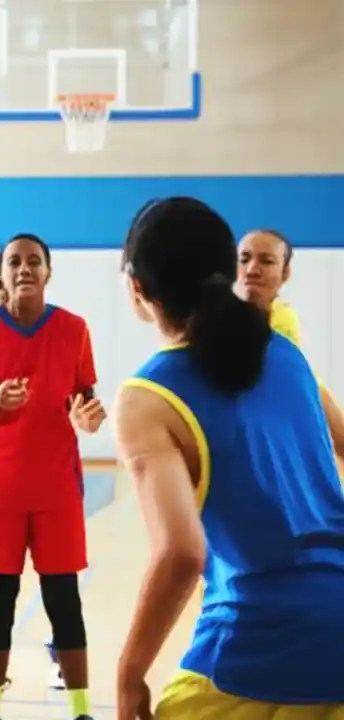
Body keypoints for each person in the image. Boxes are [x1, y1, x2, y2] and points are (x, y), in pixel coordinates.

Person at [112, 197, 344, 720]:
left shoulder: (148, 396)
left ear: (138, 290)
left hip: (259, 644)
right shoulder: (289, 356)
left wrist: (129, 675)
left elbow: (181, 553)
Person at [0, 233, 106, 720]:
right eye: (14, 262)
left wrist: (89, 417)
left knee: (64, 597)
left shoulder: (74, 330)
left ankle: (81, 708)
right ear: (1, 274)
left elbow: (85, 398)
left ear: (48, 271)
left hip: (56, 485)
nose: (23, 269)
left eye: (33, 261)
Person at [235, 228, 344, 460]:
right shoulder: (223, 317)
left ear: (285, 273)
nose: (252, 269)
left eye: (267, 261)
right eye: (244, 259)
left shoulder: (281, 319)